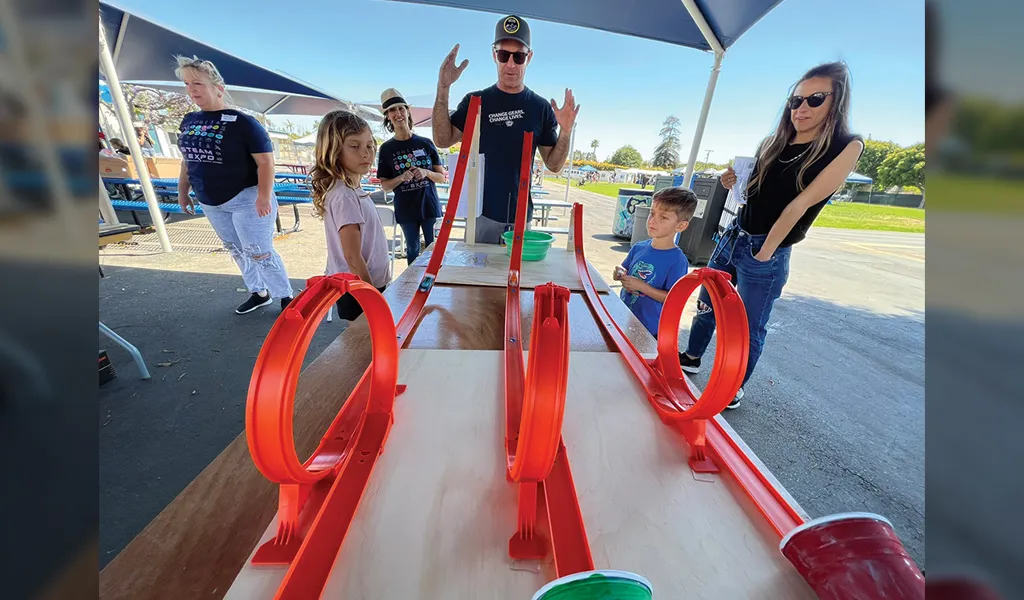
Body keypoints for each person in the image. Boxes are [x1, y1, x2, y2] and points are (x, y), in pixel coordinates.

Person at [679, 62, 864, 409]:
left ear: (836, 102)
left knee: (749, 326)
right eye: (796, 101)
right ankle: (692, 356)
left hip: (768, 248)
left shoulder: (846, 145)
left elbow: (801, 204)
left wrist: (766, 251)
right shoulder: (775, 141)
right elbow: (754, 192)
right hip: (736, 235)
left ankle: (732, 385)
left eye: (815, 99)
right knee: (708, 302)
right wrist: (730, 182)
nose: (802, 109)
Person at [432, 14, 578, 243]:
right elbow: (443, 140)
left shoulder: (540, 107)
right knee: (480, 277)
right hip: (480, 216)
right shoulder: (475, 101)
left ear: (528, 58)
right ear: (494, 55)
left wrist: (566, 131)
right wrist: (443, 87)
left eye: (518, 57)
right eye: (504, 55)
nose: (510, 64)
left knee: (517, 277)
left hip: (521, 217)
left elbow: (554, 164)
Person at [174, 56, 294, 315]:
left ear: (218, 87)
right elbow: (187, 160)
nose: (192, 89)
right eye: (187, 84)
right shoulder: (189, 121)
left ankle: (285, 295)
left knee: (259, 250)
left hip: (246, 197)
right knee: (236, 249)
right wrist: (182, 190)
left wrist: (263, 196)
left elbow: (265, 162)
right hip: (210, 199)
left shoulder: (243, 123)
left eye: (198, 83)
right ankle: (258, 292)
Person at [309, 110, 391, 322]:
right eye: (355, 146)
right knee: (363, 344)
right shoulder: (344, 195)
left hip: (363, 284)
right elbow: (352, 256)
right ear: (334, 150)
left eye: (370, 145)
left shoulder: (351, 190)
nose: (366, 153)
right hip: (360, 288)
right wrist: (372, 296)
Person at [613, 187, 696, 339]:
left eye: (663, 217)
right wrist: (619, 272)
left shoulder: (677, 261)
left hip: (649, 329)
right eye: (652, 213)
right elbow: (624, 267)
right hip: (623, 317)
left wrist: (641, 286)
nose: (652, 220)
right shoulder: (639, 247)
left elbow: (672, 298)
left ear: (681, 226)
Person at [375, 88, 446, 265]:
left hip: (429, 206)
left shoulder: (426, 143)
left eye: (400, 108)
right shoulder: (386, 149)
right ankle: (412, 287)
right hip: (406, 210)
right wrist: (400, 178)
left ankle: (434, 286)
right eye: (392, 110)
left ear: (407, 111)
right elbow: (385, 185)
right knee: (412, 250)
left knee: (434, 249)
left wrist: (426, 173)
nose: (397, 113)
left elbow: (442, 177)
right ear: (387, 116)